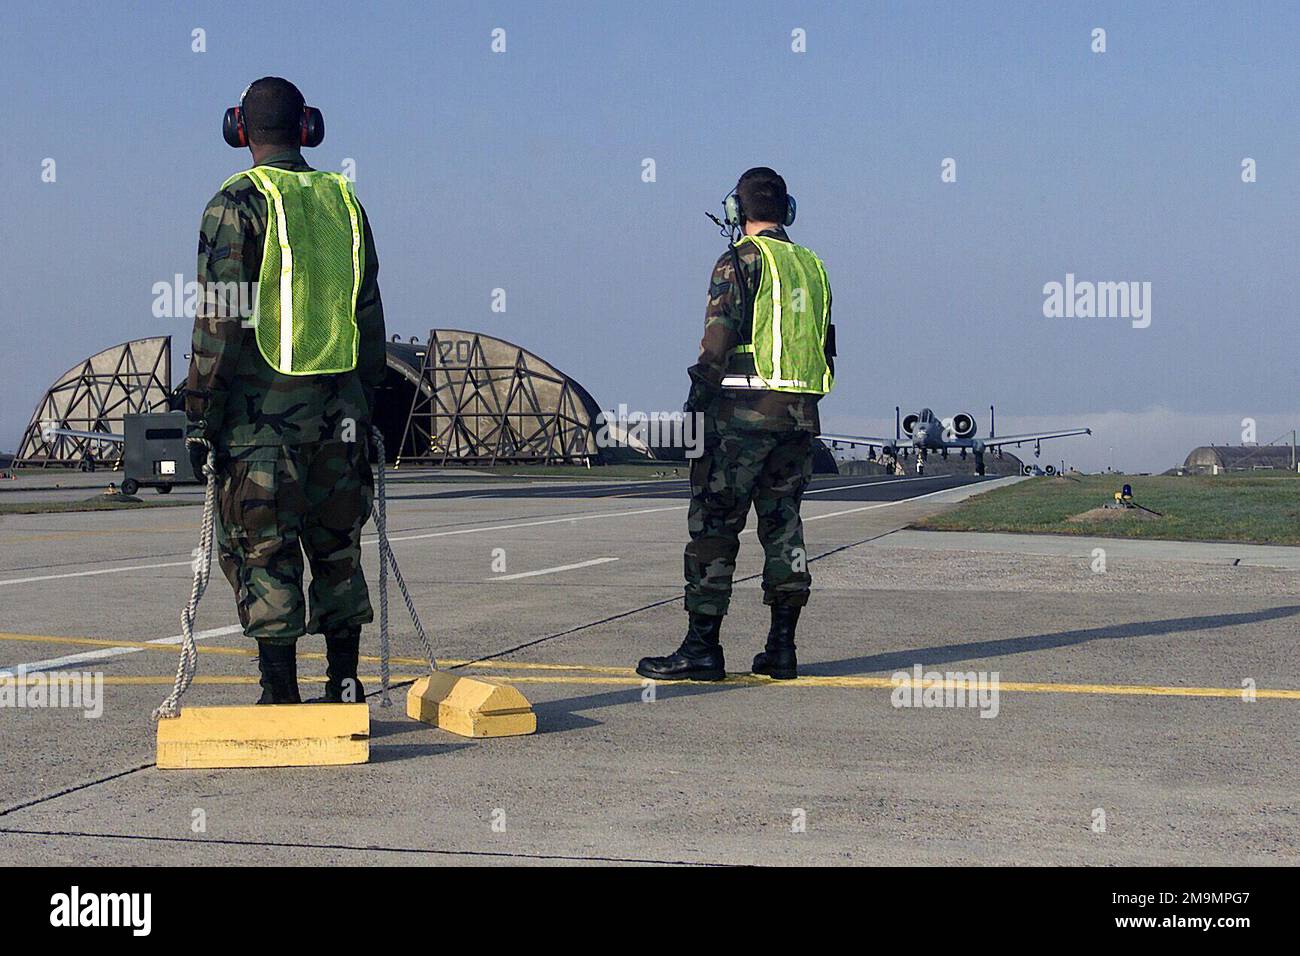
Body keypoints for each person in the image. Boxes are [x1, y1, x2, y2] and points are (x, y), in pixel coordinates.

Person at [185, 77, 387, 704]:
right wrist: (364, 406)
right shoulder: (343, 203)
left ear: (237, 129)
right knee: (337, 549)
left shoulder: (236, 204)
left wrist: (199, 415)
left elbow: (219, 319)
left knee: (264, 551)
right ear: (309, 128)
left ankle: (280, 695)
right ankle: (346, 686)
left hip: (259, 424)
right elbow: (370, 315)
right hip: (341, 418)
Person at [637, 167, 834, 683]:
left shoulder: (738, 262)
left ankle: (702, 649)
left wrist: (694, 406)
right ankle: (782, 649)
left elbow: (717, 342)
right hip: (798, 420)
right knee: (784, 527)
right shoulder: (813, 267)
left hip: (738, 420)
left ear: (736, 211)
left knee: (714, 527)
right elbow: (825, 346)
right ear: (787, 211)